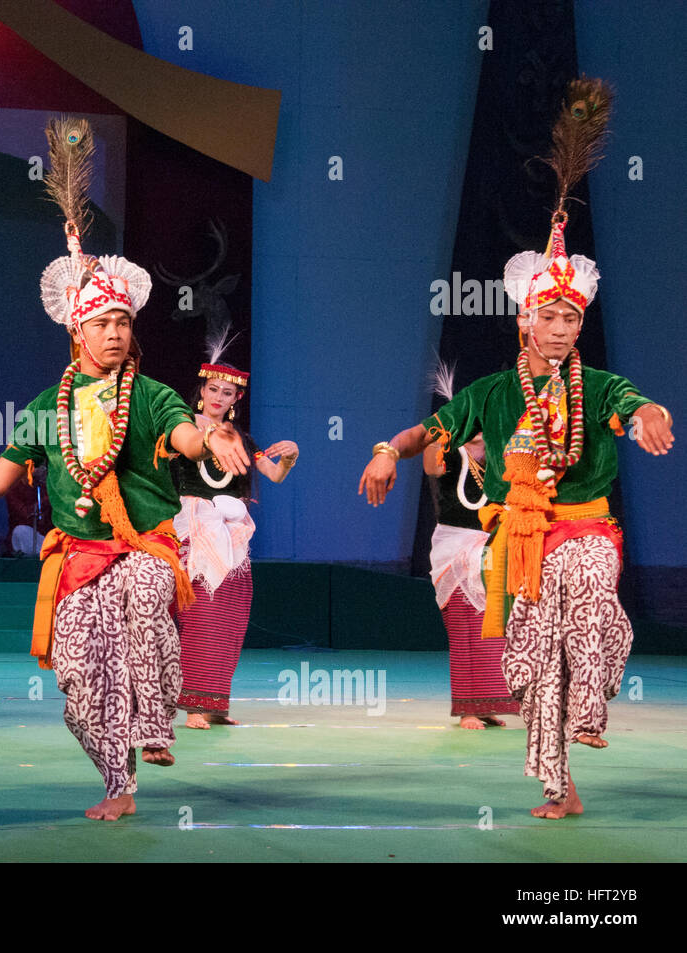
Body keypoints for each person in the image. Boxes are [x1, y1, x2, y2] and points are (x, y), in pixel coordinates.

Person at [0, 117, 250, 821]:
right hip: (78, 558)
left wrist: (213, 436)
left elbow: (185, 435)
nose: (115, 331)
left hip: (142, 547)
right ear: (75, 330)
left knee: (147, 591)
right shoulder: (47, 409)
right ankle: (120, 779)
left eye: (123, 321)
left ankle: (154, 725)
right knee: (81, 687)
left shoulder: (149, 394)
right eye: (101, 322)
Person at [359, 79, 672, 820]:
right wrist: (382, 450)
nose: (562, 326)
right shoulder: (495, 394)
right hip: (518, 541)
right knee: (531, 669)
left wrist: (651, 410)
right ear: (526, 321)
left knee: (595, 604)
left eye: (572, 315)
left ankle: (591, 708)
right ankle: (558, 785)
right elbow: (427, 432)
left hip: (586, 527)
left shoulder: (595, 385)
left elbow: (630, 407)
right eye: (550, 315)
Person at [171, 345, 298, 730]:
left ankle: (215, 702)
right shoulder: (183, 430)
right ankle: (193, 704)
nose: (218, 398)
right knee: (199, 615)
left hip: (232, 535)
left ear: (236, 399)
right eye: (212, 389)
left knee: (230, 616)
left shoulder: (243, 438)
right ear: (201, 391)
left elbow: (274, 475)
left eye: (227, 393)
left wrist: (289, 458)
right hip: (193, 527)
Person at [422, 367, 520, 728]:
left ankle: (488, 702)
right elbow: (431, 465)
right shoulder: (447, 450)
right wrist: (440, 431)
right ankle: (466, 707)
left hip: (493, 547)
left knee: (493, 626)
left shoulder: (501, 454)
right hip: (455, 547)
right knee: (464, 626)